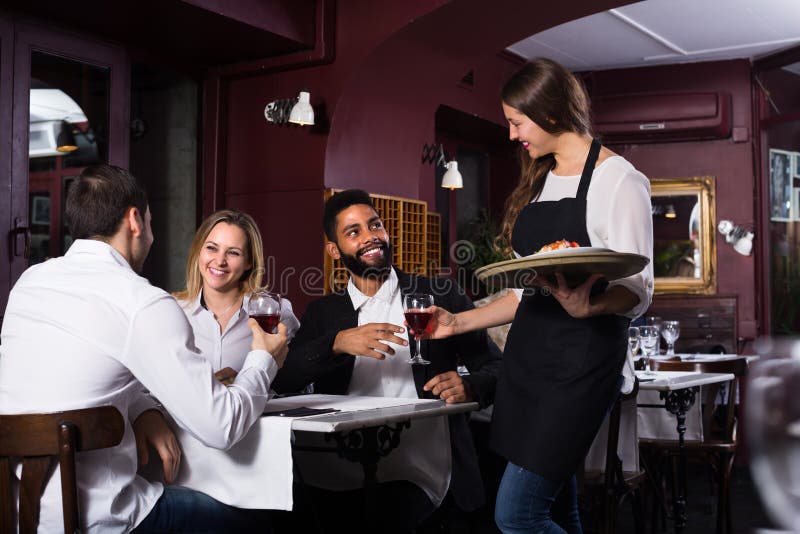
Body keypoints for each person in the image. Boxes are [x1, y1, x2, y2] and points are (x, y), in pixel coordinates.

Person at [419, 58, 654, 533]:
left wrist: (592, 305)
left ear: (548, 114)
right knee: (558, 510)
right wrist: (456, 322)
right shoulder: (544, 178)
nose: (511, 134)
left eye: (516, 121)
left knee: (518, 516)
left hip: (582, 365)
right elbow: (532, 292)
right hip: (529, 361)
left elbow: (639, 287)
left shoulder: (619, 179)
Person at [0, 164, 288, 533]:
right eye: (151, 222)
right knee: (265, 518)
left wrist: (142, 408)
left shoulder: (30, 283)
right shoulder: (144, 302)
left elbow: (83, 370)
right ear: (135, 220)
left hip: (20, 516)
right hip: (103, 521)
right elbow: (221, 427)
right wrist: (264, 359)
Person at [271, 189, 502, 533]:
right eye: (354, 232)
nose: (370, 237)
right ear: (335, 251)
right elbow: (284, 379)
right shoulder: (323, 314)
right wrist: (336, 343)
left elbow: (497, 368)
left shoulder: (440, 295)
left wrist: (469, 385)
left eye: (374, 225)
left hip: (427, 459)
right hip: (340, 462)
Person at [173, 209, 300, 378]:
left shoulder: (276, 312)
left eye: (233, 252)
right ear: (198, 252)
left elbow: (299, 379)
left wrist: (243, 379)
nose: (220, 261)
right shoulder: (172, 310)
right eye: (212, 248)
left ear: (249, 261)